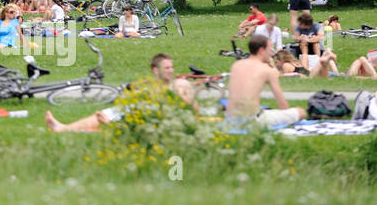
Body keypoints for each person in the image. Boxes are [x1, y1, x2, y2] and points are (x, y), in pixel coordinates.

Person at [46, 53, 194, 132]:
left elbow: (190, 107)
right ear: (156, 71)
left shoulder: (179, 84)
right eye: (167, 68)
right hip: (141, 112)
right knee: (105, 112)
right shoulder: (154, 86)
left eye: (171, 67)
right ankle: (64, 128)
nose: (171, 71)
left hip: (158, 118)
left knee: (112, 116)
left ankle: (112, 125)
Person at [224, 36, 306, 129]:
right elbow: (283, 105)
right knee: (300, 112)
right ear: (261, 50)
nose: (271, 53)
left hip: (231, 118)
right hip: (252, 120)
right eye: (269, 49)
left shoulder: (236, 65)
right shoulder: (267, 70)